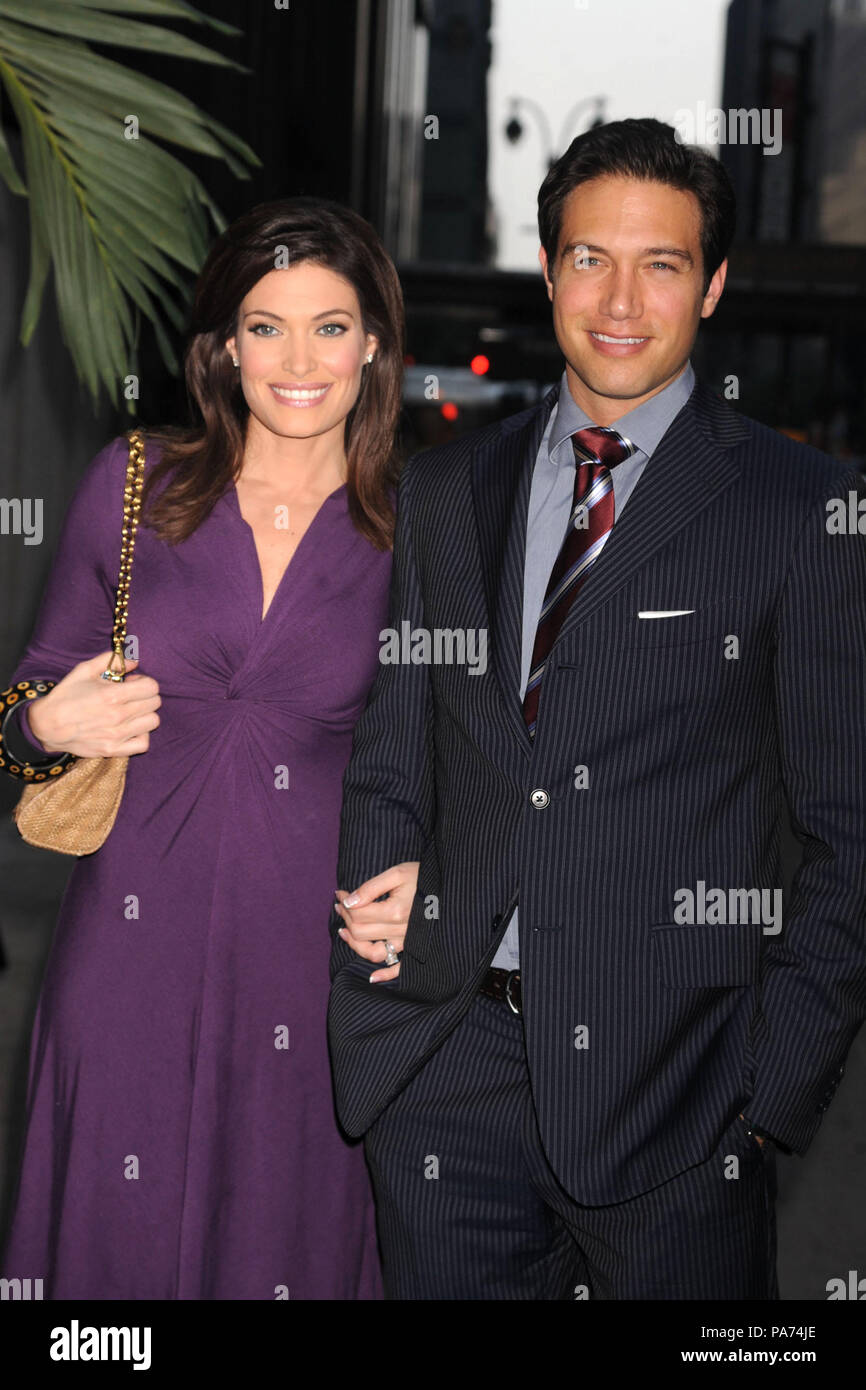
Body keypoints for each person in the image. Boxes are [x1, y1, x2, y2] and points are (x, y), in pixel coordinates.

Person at [328, 118, 866, 1300]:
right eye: (588, 258)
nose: (619, 298)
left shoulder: (804, 509)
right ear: (547, 268)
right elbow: (395, 754)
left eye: (660, 264)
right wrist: (382, 937)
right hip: (446, 1075)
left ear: (712, 283)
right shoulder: (446, 486)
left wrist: (771, 1097)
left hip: (680, 1102)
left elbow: (847, 832)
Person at [0, 197, 417, 1300]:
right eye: (264, 325)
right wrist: (44, 724)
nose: (297, 359)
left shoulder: (420, 527)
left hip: (314, 971)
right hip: (127, 954)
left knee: (285, 1242)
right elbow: (21, 710)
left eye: (330, 326)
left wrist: (435, 881)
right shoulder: (136, 485)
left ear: (373, 343)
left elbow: (465, 761)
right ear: (222, 344)